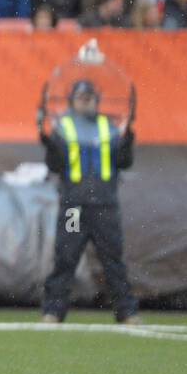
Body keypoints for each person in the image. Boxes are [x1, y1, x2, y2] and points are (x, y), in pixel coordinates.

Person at [39, 80, 138, 324]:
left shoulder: (109, 127)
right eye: (81, 96)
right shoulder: (63, 127)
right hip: (74, 205)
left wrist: (128, 137)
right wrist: (46, 139)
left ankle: (126, 313)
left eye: (89, 96)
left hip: (104, 205)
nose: (85, 100)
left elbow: (124, 161)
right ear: (72, 100)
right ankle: (53, 311)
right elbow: (54, 164)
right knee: (66, 256)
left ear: (96, 99)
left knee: (112, 258)